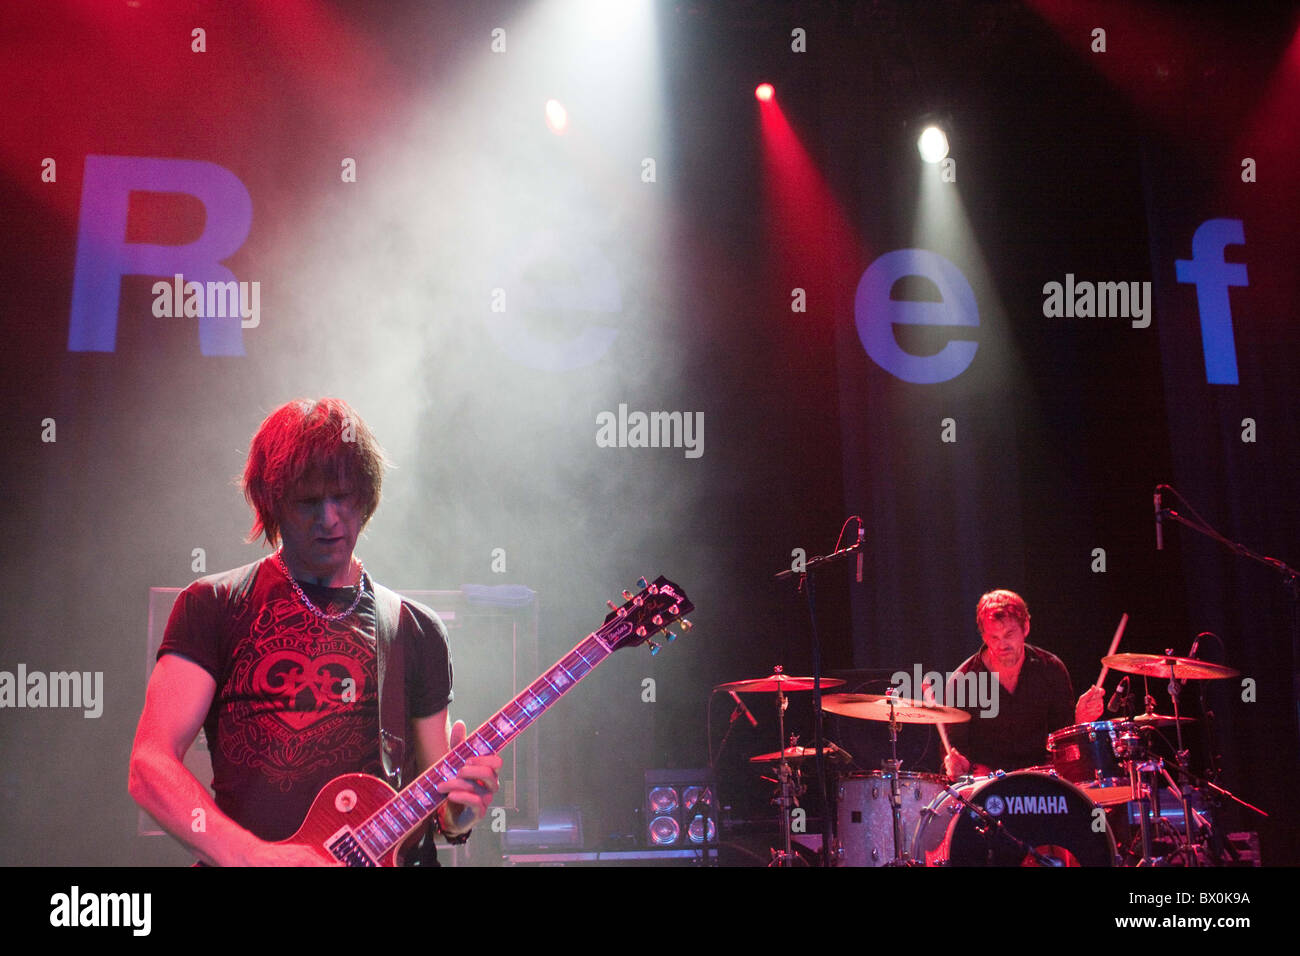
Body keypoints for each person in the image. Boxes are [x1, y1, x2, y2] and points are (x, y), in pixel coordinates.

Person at [128, 398, 500, 865]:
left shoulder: (413, 629)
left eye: (342, 496)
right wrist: (253, 856)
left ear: (365, 496)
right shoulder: (214, 605)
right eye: (307, 502)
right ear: (273, 504)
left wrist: (458, 814)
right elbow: (150, 764)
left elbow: (441, 807)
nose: (328, 518)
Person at [942, 589, 1103, 778]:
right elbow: (956, 753)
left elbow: (1064, 746)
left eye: (1009, 634)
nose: (1002, 645)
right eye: (994, 637)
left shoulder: (1051, 670)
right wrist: (960, 766)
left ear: (1025, 628)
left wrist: (1080, 721)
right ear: (984, 636)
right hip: (987, 790)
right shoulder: (963, 681)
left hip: (1044, 786)